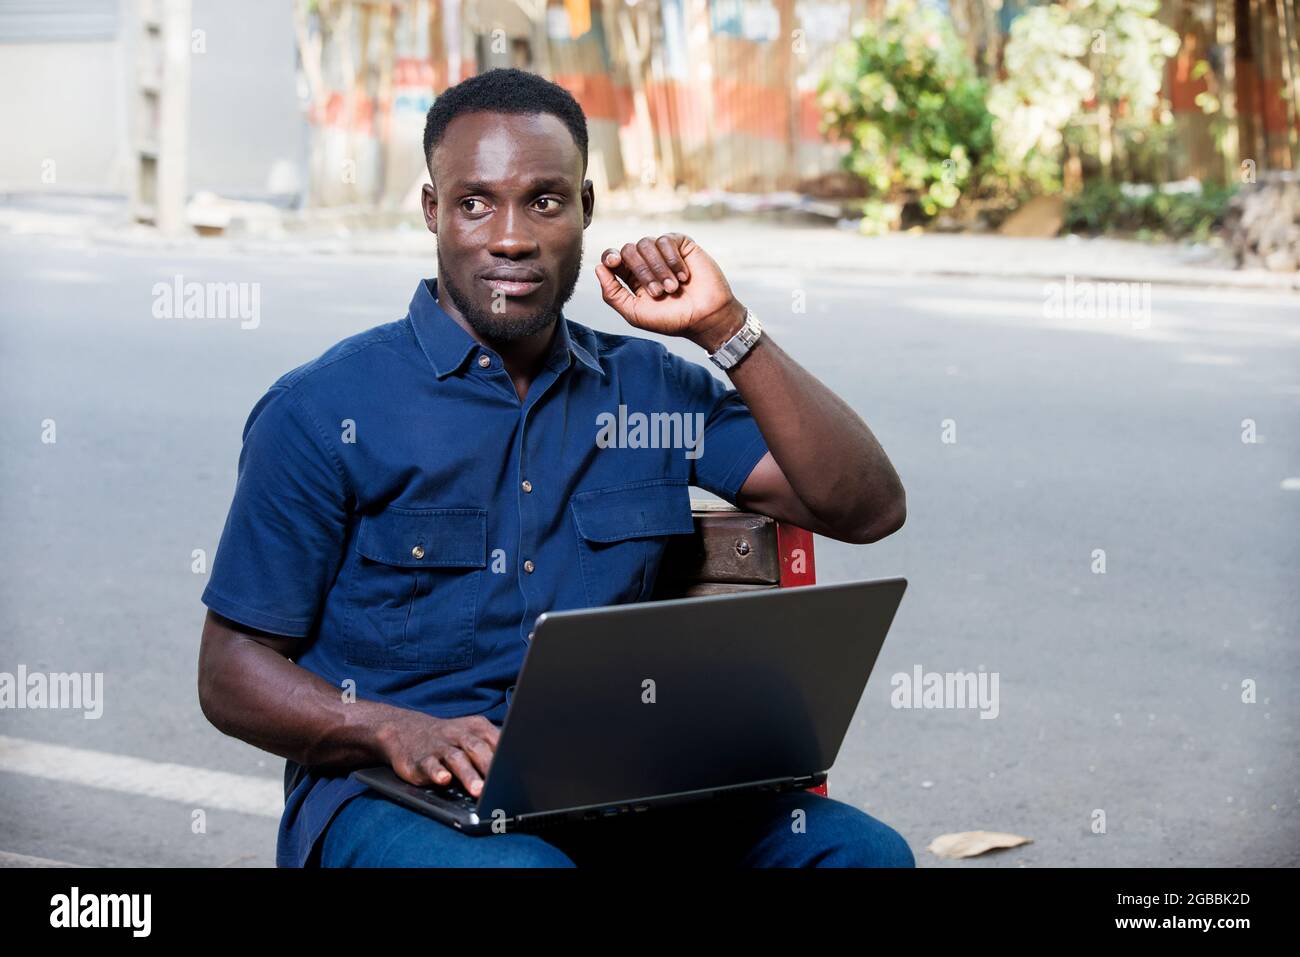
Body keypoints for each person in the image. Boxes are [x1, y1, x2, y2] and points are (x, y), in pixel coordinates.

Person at [197, 68, 910, 868]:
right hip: (398, 797)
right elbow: (230, 671)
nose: (511, 236)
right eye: (475, 203)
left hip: (631, 788)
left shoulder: (651, 390)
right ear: (433, 211)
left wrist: (723, 326)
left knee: (860, 855)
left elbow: (866, 508)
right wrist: (391, 726)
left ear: (585, 210)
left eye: (544, 200)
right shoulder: (323, 410)